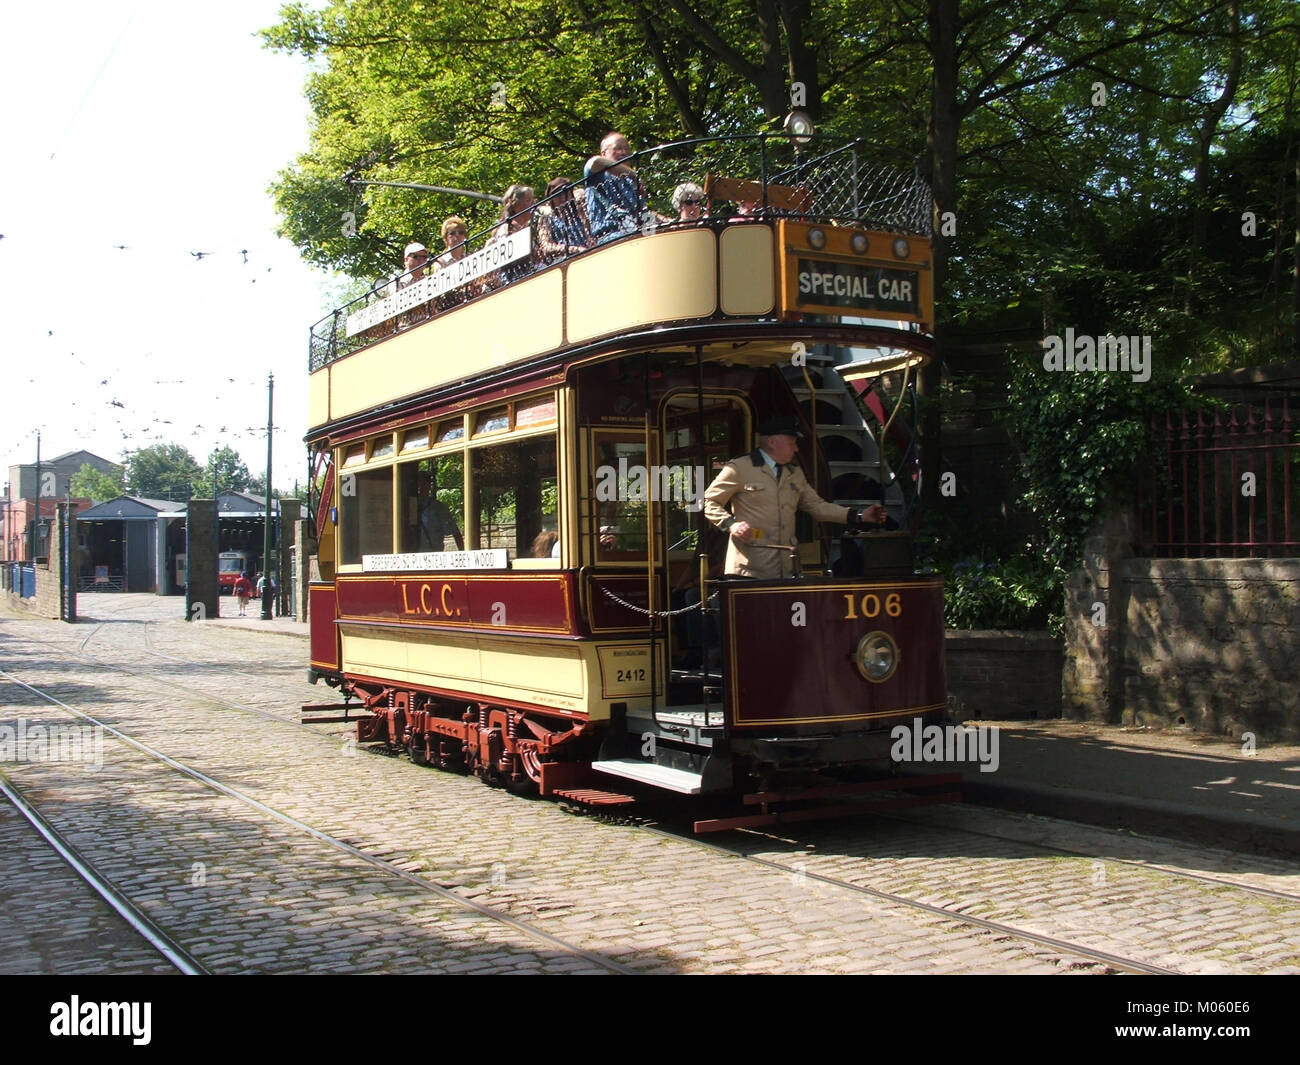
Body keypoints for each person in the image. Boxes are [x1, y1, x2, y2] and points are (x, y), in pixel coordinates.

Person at [703, 416, 888, 579]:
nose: (796, 448)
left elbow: (817, 506)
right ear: (773, 443)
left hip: (786, 569)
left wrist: (860, 516)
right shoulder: (740, 468)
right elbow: (709, 501)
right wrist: (731, 525)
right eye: (792, 442)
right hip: (749, 569)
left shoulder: (795, 473)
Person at [583, 131, 667, 244]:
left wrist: (670, 222)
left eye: (627, 149)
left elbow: (644, 213)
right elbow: (594, 162)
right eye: (617, 148)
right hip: (610, 237)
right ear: (604, 153)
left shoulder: (630, 183)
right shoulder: (598, 175)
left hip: (634, 233)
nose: (624, 152)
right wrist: (633, 174)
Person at [486, 184, 540, 285]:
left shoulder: (528, 228)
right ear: (515, 205)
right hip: (513, 279)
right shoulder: (505, 230)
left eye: (533, 200)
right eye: (528, 200)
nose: (534, 204)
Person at [536, 177, 591, 260]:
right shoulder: (546, 219)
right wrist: (572, 249)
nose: (562, 197)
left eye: (565, 193)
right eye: (557, 195)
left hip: (587, 254)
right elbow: (546, 246)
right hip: (562, 259)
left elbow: (589, 234)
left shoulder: (580, 213)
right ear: (552, 199)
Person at [432, 216, 476, 309]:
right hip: (451, 306)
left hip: (472, 301)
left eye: (461, 232)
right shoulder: (440, 263)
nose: (457, 236)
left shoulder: (471, 257)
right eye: (452, 233)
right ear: (446, 239)